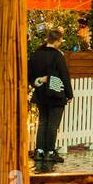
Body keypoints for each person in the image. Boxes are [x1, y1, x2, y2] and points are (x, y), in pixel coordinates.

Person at [28, 29, 73, 164]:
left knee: (43, 122)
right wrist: (69, 94)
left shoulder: (36, 54)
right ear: (58, 40)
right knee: (53, 124)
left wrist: (38, 81)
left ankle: (39, 151)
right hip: (56, 93)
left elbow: (30, 74)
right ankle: (50, 152)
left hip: (41, 93)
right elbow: (64, 75)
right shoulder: (58, 56)